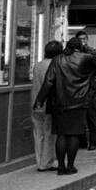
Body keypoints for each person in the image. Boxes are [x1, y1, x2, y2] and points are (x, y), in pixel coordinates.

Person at [34, 36, 96, 175]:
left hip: (60, 102)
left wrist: (40, 100)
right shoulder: (85, 58)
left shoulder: (58, 59)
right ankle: (70, 165)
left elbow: (49, 81)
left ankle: (60, 166)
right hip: (78, 102)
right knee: (73, 135)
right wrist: (87, 49)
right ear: (80, 46)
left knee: (61, 135)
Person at [30, 40, 64, 171]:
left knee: (38, 133)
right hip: (48, 104)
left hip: (35, 103)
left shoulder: (37, 65)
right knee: (49, 133)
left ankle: (39, 161)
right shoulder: (56, 65)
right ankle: (47, 162)